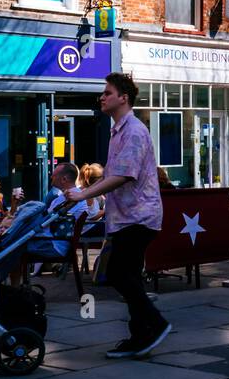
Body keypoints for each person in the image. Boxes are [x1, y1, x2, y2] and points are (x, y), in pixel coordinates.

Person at [65, 73, 170, 359]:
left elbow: (124, 175)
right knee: (130, 276)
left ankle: (156, 324)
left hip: (139, 217)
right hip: (126, 217)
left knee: (118, 274)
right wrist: (85, 194)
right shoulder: (118, 131)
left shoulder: (134, 131)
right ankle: (140, 337)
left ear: (123, 97)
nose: (102, 97)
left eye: (108, 92)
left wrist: (82, 195)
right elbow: (112, 176)